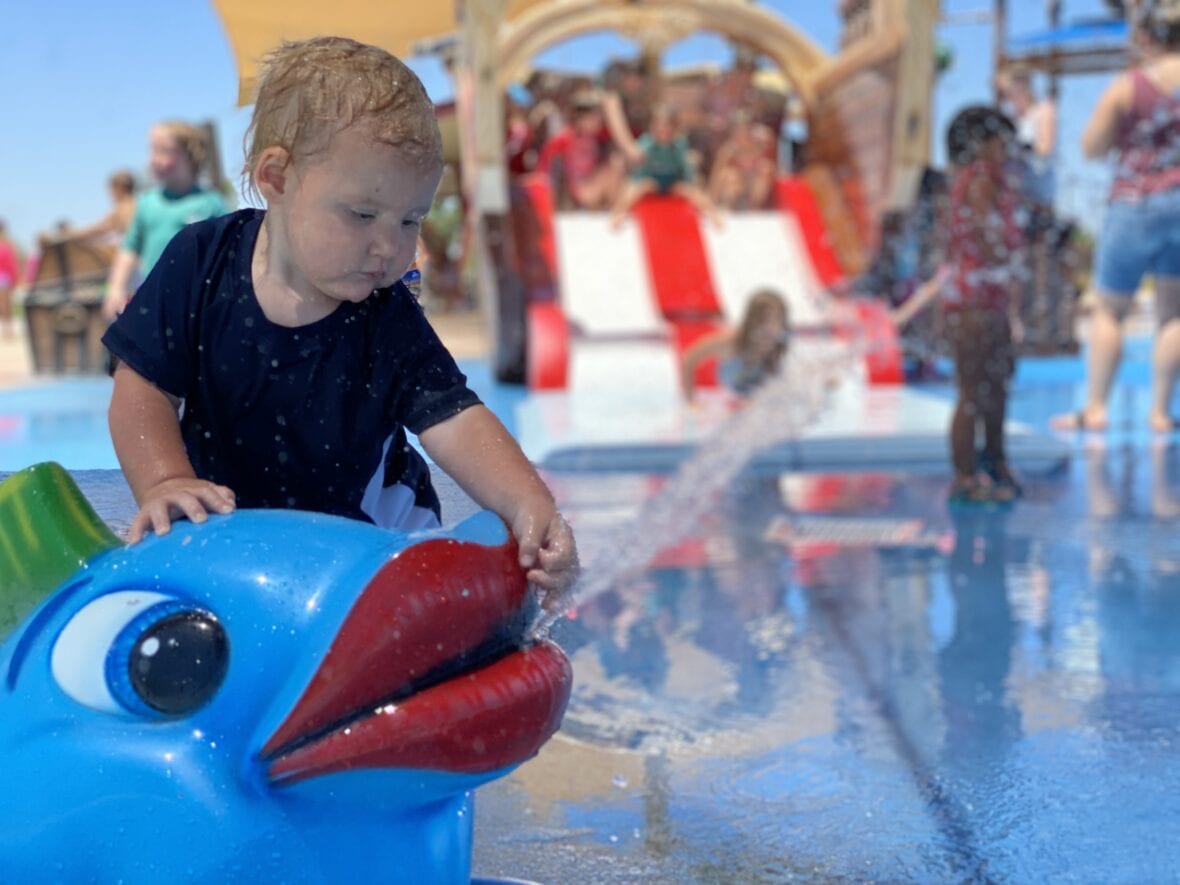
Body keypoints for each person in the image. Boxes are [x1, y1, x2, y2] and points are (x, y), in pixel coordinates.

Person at [100, 36, 577, 606]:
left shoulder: (385, 313)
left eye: (410, 220)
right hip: (233, 529)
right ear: (277, 177)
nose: (390, 246)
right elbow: (142, 388)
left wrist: (530, 504)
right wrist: (165, 481)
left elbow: (455, 420)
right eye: (363, 214)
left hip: (377, 539)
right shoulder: (201, 262)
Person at [1052, 0, 1180, 433]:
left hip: (1134, 205)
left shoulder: (1130, 85)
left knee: (1109, 308)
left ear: (1148, 39)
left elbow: (1091, 147)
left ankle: (1095, 409)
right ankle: (1160, 412)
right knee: (1174, 312)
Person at [902, 106, 1026, 503]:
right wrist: (1011, 256)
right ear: (980, 144)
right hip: (974, 300)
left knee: (991, 387)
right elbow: (988, 237)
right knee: (978, 390)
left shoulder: (977, 179)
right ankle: (968, 474)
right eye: (1001, 141)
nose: (1008, 149)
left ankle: (991, 462)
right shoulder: (981, 178)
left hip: (979, 297)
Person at [102, 121, 229, 320]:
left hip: (198, 304)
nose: (154, 159)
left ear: (191, 156)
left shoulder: (211, 203)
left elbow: (228, 252)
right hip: (155, 302)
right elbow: (129, 249)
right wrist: (115, 289)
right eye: (152, 150)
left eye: (164, 151)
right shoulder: (147, 203)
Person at [608, 104, 721, 229]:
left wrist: (689, 181)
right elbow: (638, 168)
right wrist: (638, 162)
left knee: (692, 191)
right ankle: (617, 217)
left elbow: (685, 168)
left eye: (667, 127)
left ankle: (714, 217)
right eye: (659, 127)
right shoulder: (647, 143)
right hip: (652, 180)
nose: (663, 131)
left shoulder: (679, 144)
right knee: (635, 189)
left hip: (672, 181)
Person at [680, 288, 789, 401]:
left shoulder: (782, 342)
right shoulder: (731, 342)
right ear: (752, 320)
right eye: (765, 319)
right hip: (727, 402)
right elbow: (688, 360)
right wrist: (690, 400)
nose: (771, 326)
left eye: (778, 318)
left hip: (758, 402)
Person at [708, 110, 777, 211]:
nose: (742, 133)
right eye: (738, 130)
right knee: (729, 175)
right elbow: (717, 175)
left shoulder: (763, 144)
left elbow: (774, 168)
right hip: (737, 188)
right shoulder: (729, 150)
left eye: (745, 129)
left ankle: (754, 207)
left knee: (766, 168)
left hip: (754, 186)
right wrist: (711, 201)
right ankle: (730, 206)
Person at [67, 170, 138, 245]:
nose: (111, 195)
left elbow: (96, 231)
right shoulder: (139, 205)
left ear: (118, 188)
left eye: (111, 191)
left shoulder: (121, 210)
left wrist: (69, 234)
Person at [0, 220, 20, 338]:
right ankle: (8, 330)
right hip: (4, 278)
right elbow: (11, 263)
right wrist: (15, 278)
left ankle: (6, 330)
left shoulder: (7, 244)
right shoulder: (7, 244)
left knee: (3, 305)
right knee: (7, 305)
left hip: (3, 278)